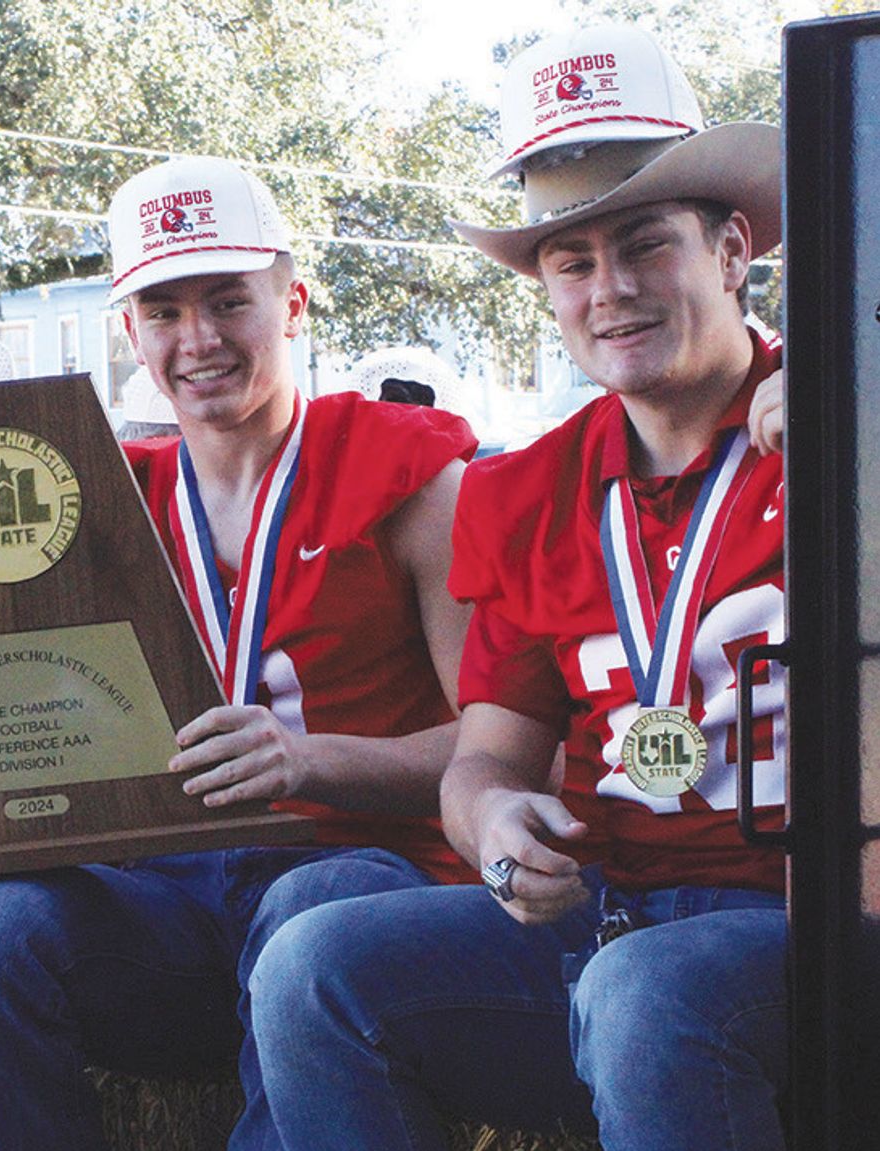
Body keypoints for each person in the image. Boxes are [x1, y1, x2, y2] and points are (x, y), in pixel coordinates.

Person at [250, 24, 788, 1151]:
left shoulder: (846, 420)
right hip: (606, 913)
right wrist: (496, 823)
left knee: (647, 990)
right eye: (573, 261)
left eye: (646, 245)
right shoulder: (528, 488)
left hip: (815, 921)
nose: (613, 290)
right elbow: (486, 754)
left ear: (733, 248)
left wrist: (863, 450)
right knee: (313, 966)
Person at [0, 156, 478, 1150]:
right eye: (165, 311)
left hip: (350, 876)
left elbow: (503, 746)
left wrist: (313, 760)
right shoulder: (94, 494)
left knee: (316, 903)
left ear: (293, 303)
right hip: (171, 901)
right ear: (128, 331)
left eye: (229, 301)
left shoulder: (408, 468)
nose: (199, 338)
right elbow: (3, 723)